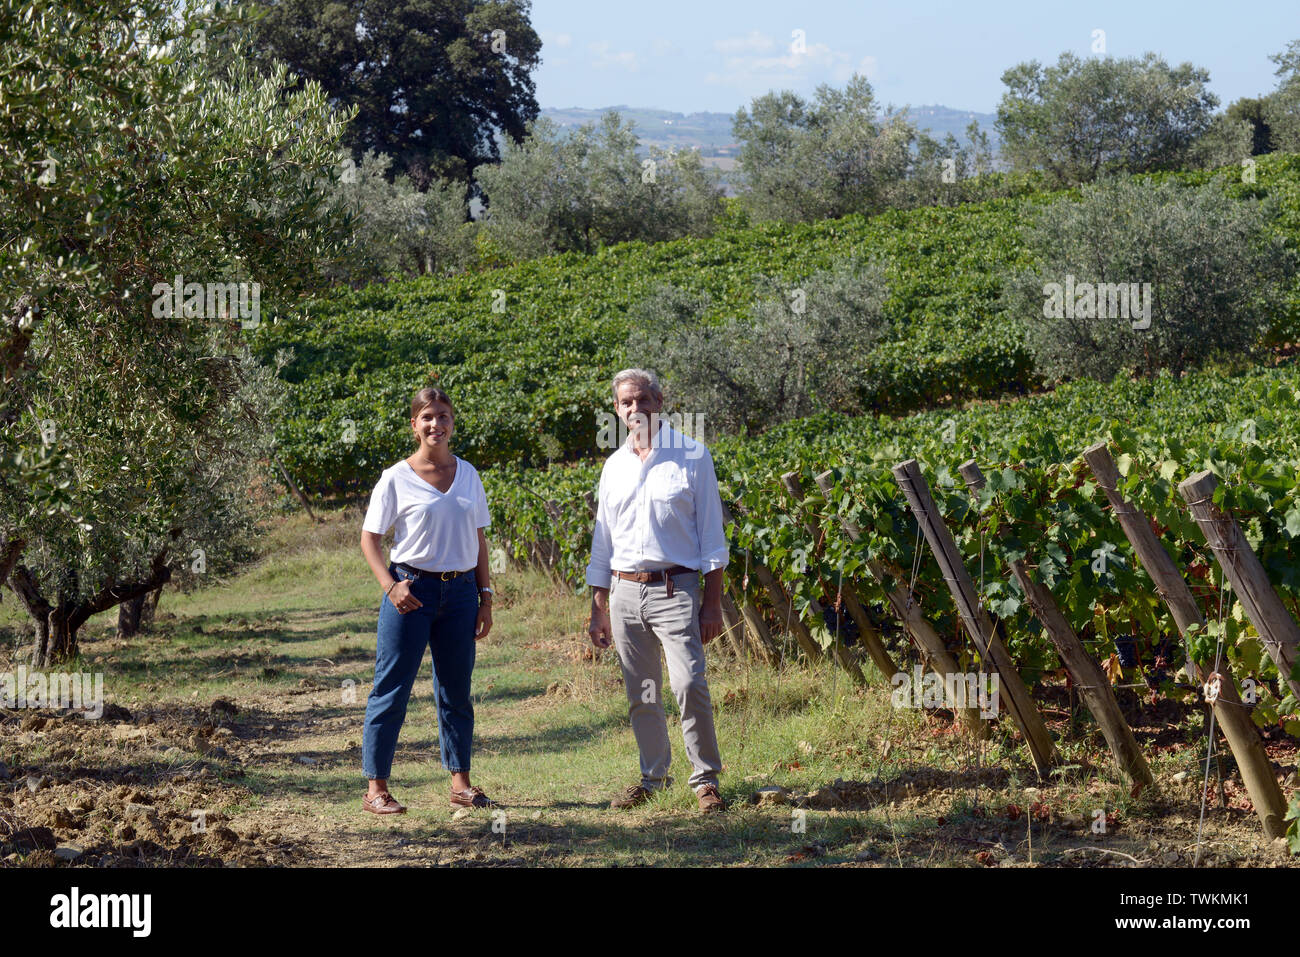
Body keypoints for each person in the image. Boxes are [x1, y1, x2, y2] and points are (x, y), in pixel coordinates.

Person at [586, 368, 729, 813]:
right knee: (642, 691)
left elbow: (712, 538)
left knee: (689, 684)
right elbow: (602, 541)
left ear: (659, 402)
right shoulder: (614, 466)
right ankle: (653, 778)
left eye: (643, 399)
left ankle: (705, 780)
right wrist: (598, 607)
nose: (636, 408)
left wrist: (712, 605)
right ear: (617, 409)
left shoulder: (693, 456)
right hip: (625, 592)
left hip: (676, 589)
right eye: (626, 402)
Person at [358, 386, 496, 814]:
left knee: (456, 690)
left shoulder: (468, 474)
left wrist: (485, 596)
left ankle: (460, 784)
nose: (437, 424)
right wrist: (391, 586)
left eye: (444, 416)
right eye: (428, 417)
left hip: (461, 595)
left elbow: (479, 539)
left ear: (453, 422)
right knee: (392, 688)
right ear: (414, 425)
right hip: (410, 592)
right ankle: (376, 789)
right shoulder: (395, 478)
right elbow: (369, 539)